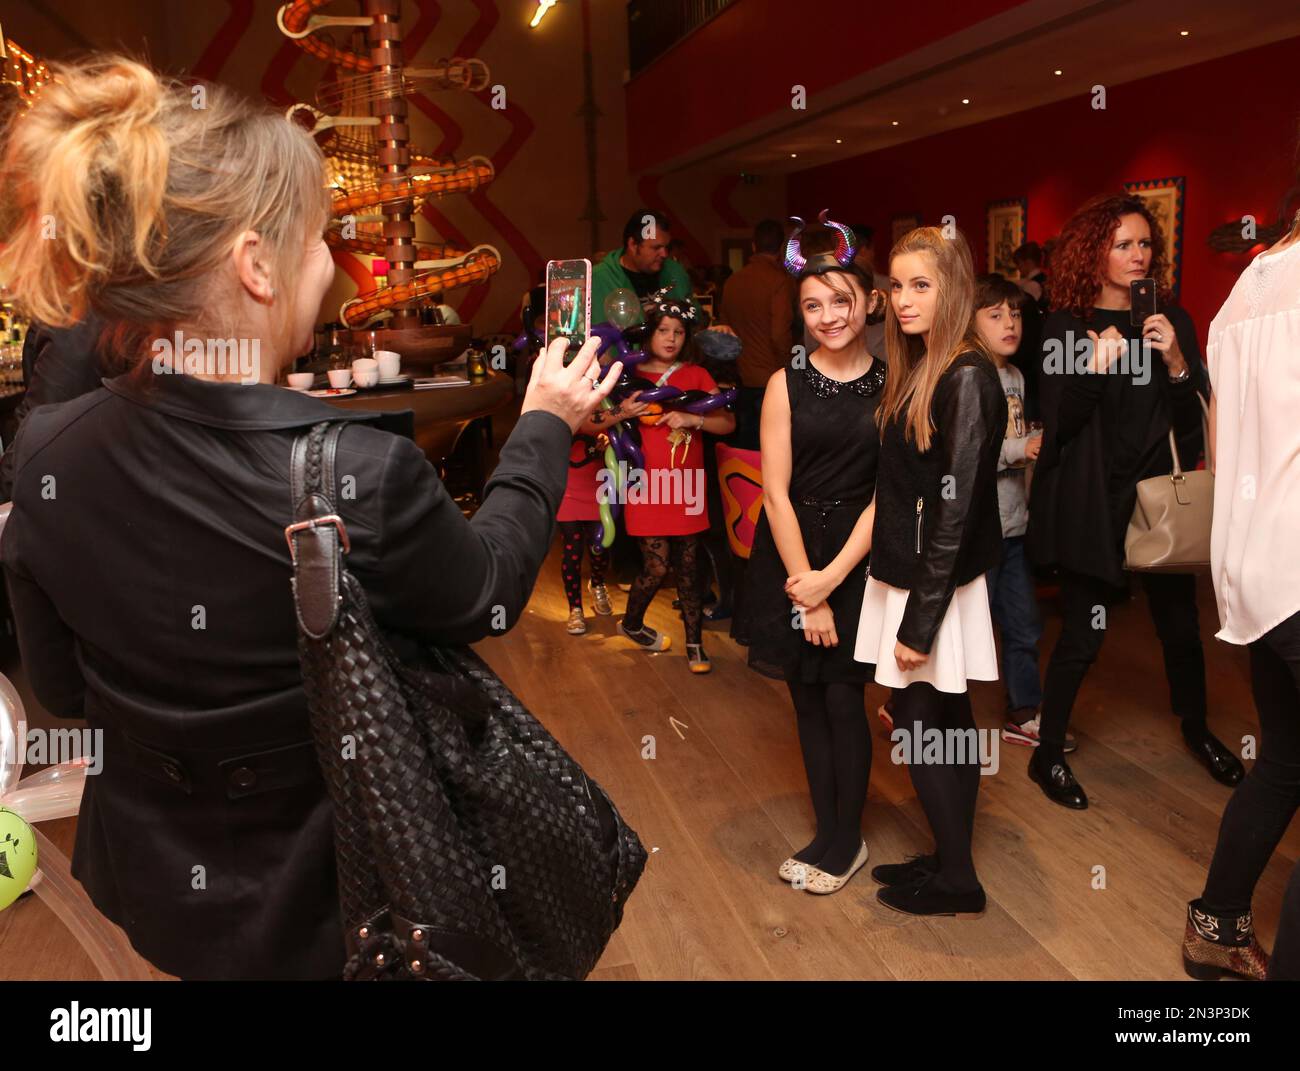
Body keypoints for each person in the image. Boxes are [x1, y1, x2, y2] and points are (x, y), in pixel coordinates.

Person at [0, 55, 623, 980]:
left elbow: (62, 683)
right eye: (319, 238)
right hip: (352, 895)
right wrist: (542, 423)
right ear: (255, 263)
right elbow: (489, 594)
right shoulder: (358, 470)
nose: (331, 263)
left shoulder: (46, 448)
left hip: (164, 884)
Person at [1027, 193, 1245, 810]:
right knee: (1083, 636)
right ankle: (1047, 755)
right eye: (1123, 244)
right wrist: (1095, 365)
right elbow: (1061, 425)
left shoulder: (1170, 319)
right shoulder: (1066, 327)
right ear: (1093, 252)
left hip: (1158, 494)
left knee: (1181, 627)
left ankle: (1197, 730)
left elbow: (1190, 420)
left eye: (1145, 243)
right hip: (1094, 497)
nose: (1137, 255)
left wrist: (1177, 362)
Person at [855, 226, 1005, 918]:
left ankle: (959, 882)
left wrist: (918, 624)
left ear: (953, 291)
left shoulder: (968, 376)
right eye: (896, 284)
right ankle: (950, 861)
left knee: (919, 720)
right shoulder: (921, 363)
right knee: (942, 716)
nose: (903, 298)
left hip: (931, 583)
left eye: (922, 284)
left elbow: (958, 514)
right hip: (911, 573)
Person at [741, 214, 884, 892]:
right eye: (812, 305)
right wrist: (806, 584)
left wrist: (830, 582)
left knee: (843, 698)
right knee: (806, 698)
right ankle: (826, 830)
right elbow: (773, 492)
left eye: (840, 300)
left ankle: (846, 838)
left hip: (853, 559)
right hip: (793, 554)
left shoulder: (894, 385)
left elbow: (886, 497)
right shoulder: (783, 384)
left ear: (869, 301)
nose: (828, 315)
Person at [1182, 199, 1300, 982]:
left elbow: (1220, 446)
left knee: (1287, 759)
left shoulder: (1251, 282)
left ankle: (1216, 928)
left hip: (1259, 568)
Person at [970, 274, 1073, 753]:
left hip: (1013, 523)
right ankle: (912, 709)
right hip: (977, 528)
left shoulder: (1015, 376)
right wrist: (1020, 448)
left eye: (1014, 314)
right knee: (965, 631)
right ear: (970, 323)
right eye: (995, 315)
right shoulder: (969, 375)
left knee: (1024, 624)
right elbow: (964, 455)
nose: (1010, 323)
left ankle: (1023, 712)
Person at [618, 297, 735, 672]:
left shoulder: (697, 375)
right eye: (663, 331)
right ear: (649, 332)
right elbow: (592, 420)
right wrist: (624, 412)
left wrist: (693, 420)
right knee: (656, 567)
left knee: (688, 566)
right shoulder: (626, 375)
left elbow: (727, 424)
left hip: (685, 486)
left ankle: (695, 643)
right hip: (647, 485)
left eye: (679, 332)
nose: (670, 339)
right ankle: (632, 624)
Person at [715, 219, 797, 451]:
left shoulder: (732, 282)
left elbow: (724, 330)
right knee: (772, 448)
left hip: (739, 377)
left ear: (753, 246)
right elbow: (780, 334)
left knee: (743, 448)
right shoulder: (780, 282)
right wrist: (791, 366)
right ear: (781, 249)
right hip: (770, 378)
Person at [591, 209, 692, 320]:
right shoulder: (599, 279)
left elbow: (694, 318)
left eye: (666, 247)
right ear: (633, 244)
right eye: (656, 247)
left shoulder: (675, 273)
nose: (664, 254)